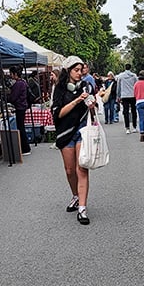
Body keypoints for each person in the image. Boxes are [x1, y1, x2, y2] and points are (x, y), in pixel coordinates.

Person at [51, 55, 96, 224]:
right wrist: (77, 101)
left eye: (81, 70)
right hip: (65, 133)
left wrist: (91, 105)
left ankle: (82, 209)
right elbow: (58, 114)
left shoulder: (86, 86)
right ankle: (76, 196)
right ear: (68, 71)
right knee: (70, 170)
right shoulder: (60, 89)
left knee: (81, 169)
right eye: (76, 70)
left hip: (82, 132)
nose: (79, 73)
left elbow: (92, 106)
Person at [8, 67, 31, 156]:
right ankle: (25, 147)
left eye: (11, 73)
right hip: (23, 106)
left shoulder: (18, 84)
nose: (10, 75)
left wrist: (8, 97)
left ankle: (25, 148)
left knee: (20, 128)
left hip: (20, 107)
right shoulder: (23, 82)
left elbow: (13, 97)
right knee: (21, 127)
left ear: (15, 74)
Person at [116, 64, 138, 134]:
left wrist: (118, 96)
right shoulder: (134, 76)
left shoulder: (121, 76)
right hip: (133, 95)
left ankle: (127, 128)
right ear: (130, 68)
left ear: (124, 68)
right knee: (134, 111)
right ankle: (134, 126)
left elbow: (118, 87)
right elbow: (136, 85)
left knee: (126, 111)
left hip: (124, 95)